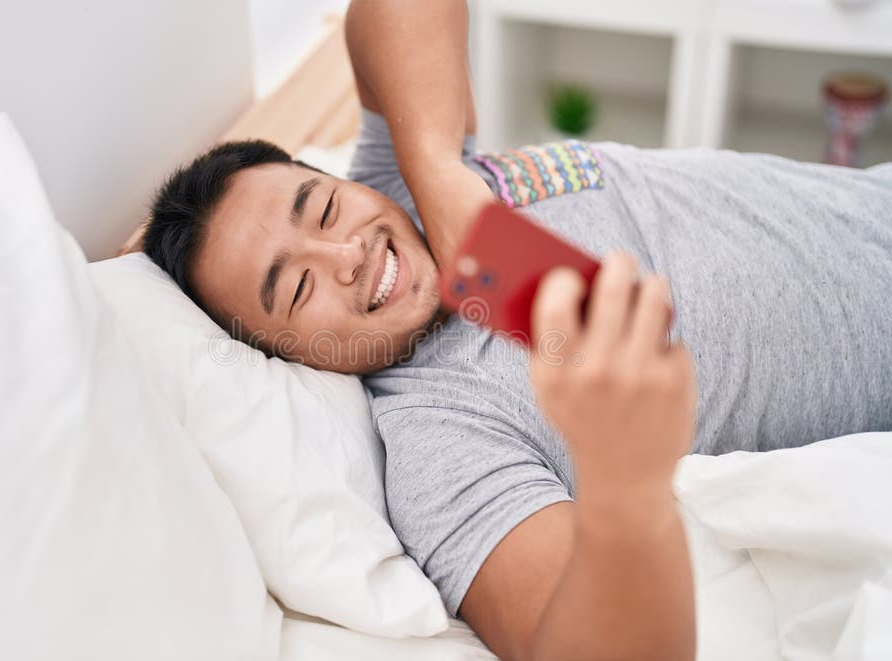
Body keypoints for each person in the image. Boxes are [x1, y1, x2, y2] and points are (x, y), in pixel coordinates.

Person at [142, 2, 892, 659]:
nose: (347, 253)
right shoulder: (437, 437)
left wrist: (438, 173)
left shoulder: (398, 182)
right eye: (299, 286)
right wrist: (623, 486)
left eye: (325, 208)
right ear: (284, 356)